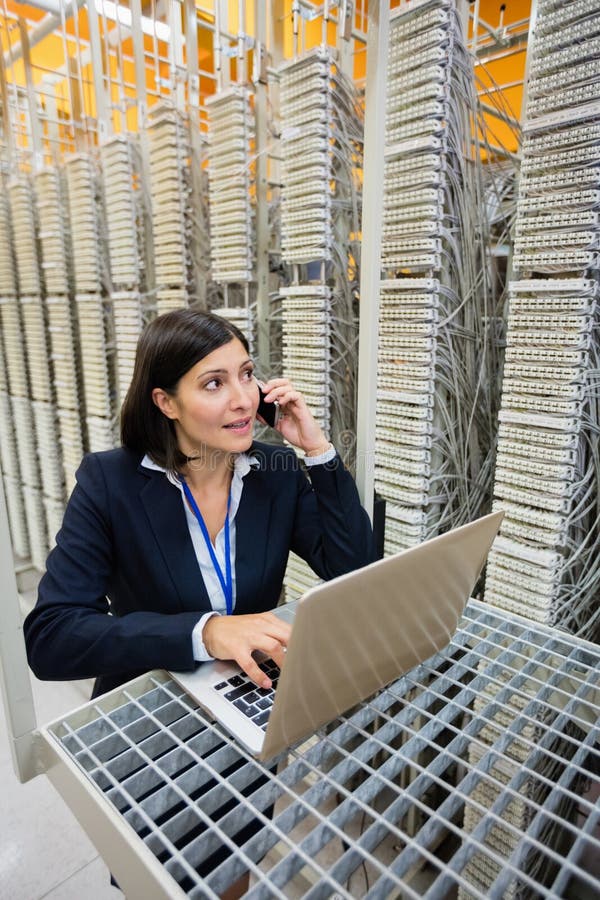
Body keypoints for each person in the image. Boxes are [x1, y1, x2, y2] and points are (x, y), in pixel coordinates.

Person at [24, 306, 374, 698]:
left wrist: (317, 448)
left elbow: (355, 570)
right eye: (214, 384)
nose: (244, 399)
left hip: (250, 693)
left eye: (246, 374)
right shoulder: (109, 483)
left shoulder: (274, 472)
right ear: (166, 403)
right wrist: (205, 632)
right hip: (152, 706)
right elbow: (52, 637)